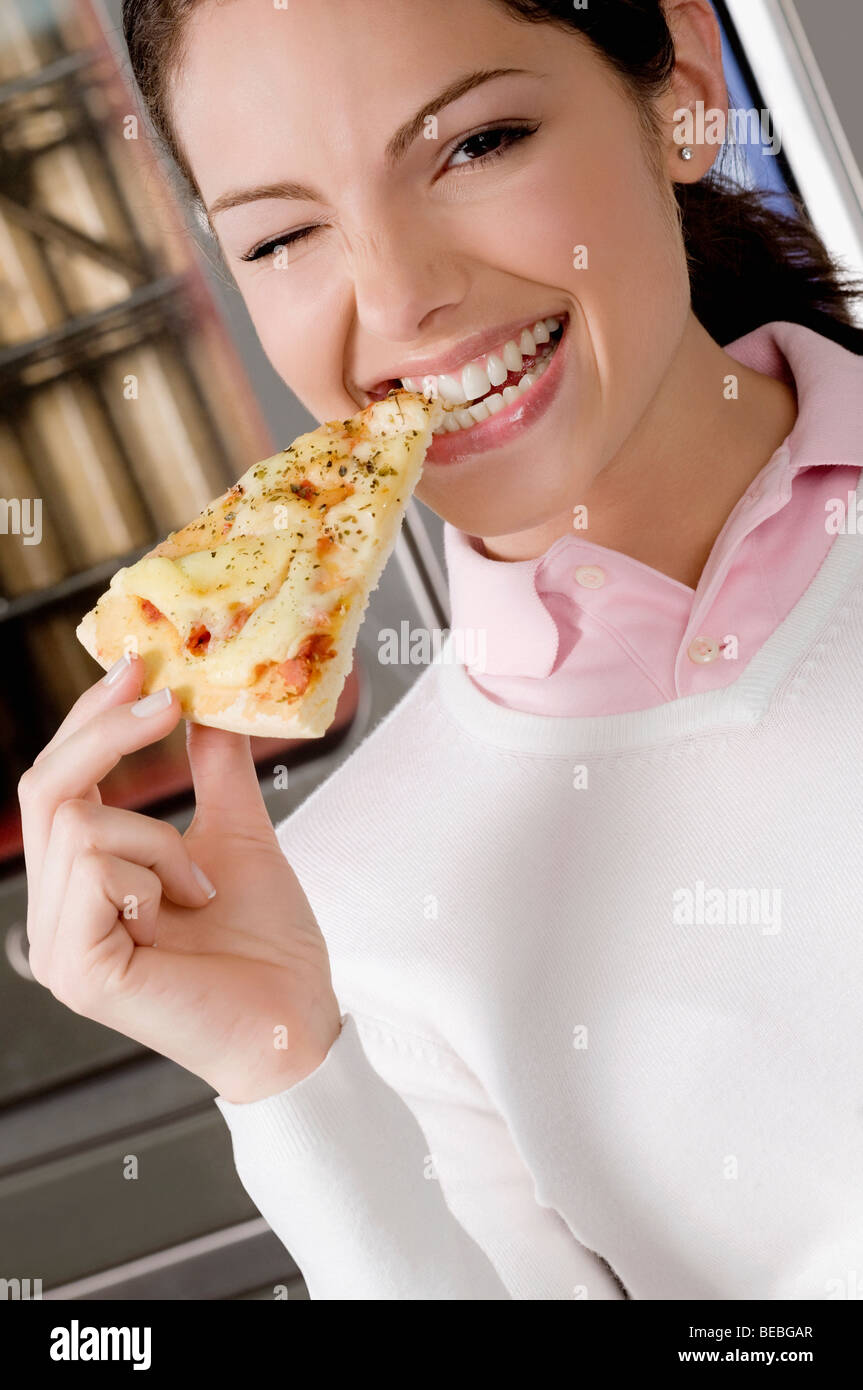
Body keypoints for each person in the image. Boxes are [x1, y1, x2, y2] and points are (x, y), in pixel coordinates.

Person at [18, 0, 863, 1299]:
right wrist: (292, 1072)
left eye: (477, 144)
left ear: (685, 84)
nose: (401, 297)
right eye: (286, 233)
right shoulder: (347, 907)